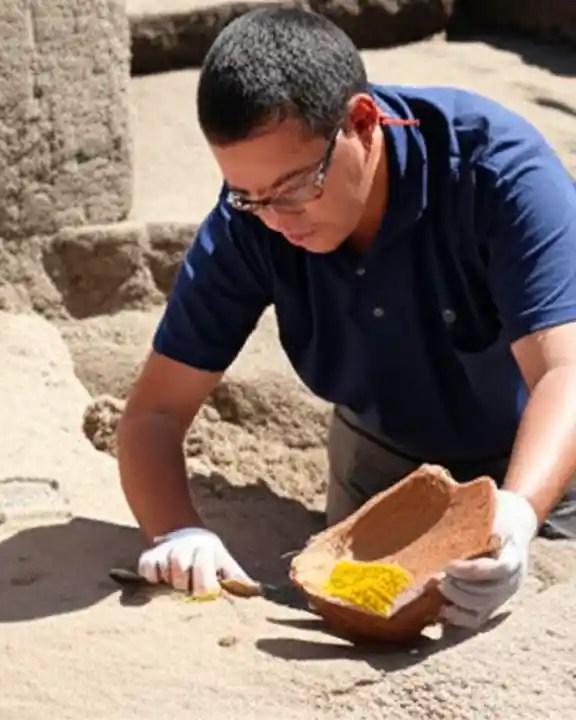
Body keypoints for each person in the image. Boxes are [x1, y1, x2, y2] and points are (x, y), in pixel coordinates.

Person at [119, 7, 576, 630]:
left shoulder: (497, 172)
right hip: (386, 462)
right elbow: (154, 413)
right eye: (249, 196)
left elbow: (564, 374)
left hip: (548, 454)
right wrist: (176, 532)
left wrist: (519, 516)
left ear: (362, 122)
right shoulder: (250, 220)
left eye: (293, 187)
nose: (278, 219)